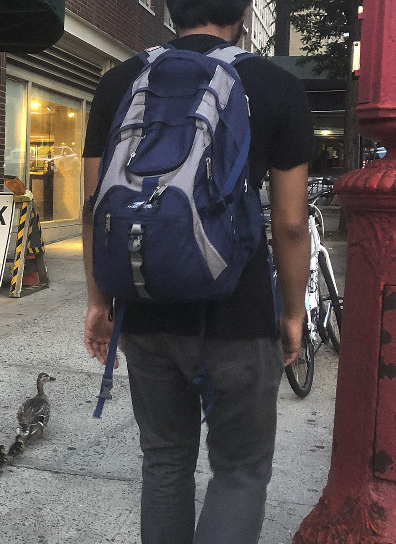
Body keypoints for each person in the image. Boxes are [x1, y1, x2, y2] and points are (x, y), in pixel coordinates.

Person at [81, 1, 313, 543]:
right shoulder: (274, 85)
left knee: (164, 464)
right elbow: (292, 223)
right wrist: (294, 311)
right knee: (239, 470)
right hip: (240, 311)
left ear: (168, 7)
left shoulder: (120, 81)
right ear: (242, 9)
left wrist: (98, 301)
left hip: (144, 306)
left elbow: (96, 207)